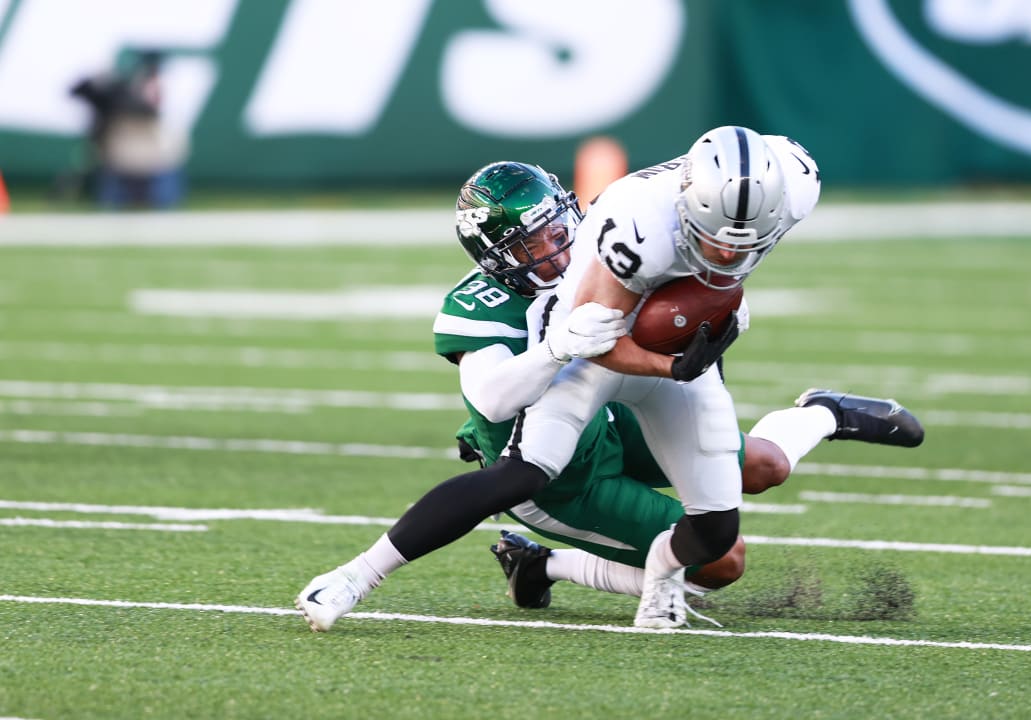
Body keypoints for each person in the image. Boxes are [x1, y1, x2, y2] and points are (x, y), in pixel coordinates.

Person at [295, 132, 920, 633]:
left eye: (557, 225)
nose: (558, 246)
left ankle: (823, 413)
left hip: (618, 402)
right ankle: (510, 567)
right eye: (532, 242)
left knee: (762, 467)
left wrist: (691, 354)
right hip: (558, 467)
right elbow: (493, 397)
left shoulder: (618, 235)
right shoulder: (478, 305)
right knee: (722, 563)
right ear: (494, 255)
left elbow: (665, 330)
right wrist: (555, 347)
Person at [69, 50, 188, 209]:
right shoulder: (112, 93)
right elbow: (77, 91)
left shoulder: (138, 94)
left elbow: (146, 111)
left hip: (152, 155)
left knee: (163, 172)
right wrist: (100, 83)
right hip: (117, 154)